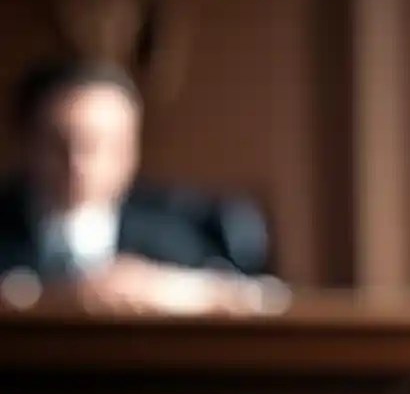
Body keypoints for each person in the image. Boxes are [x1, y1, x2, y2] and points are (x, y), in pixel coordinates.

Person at [0, 60, 274, 313]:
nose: (77, 164)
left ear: (131, 150)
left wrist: (170, 290)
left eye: (97, 144)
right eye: (59, 144)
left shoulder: (175, 228)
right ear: (25, 143)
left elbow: (260, 298)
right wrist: (57, 296)